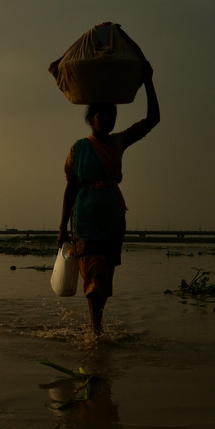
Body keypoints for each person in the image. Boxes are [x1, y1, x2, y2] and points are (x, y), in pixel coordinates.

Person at [57, 62, 160, 337]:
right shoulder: (78, 149)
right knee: (95, 272)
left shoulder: (118, 142)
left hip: (113, 221)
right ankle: (96, 331)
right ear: (91, 119)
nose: (108, 120)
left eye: (112, 116)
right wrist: (61, 227)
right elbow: (70, 188)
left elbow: (152, 120)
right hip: (85, 222)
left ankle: (97, 327)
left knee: (105, 279)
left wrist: (148, 82)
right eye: (102, 116)